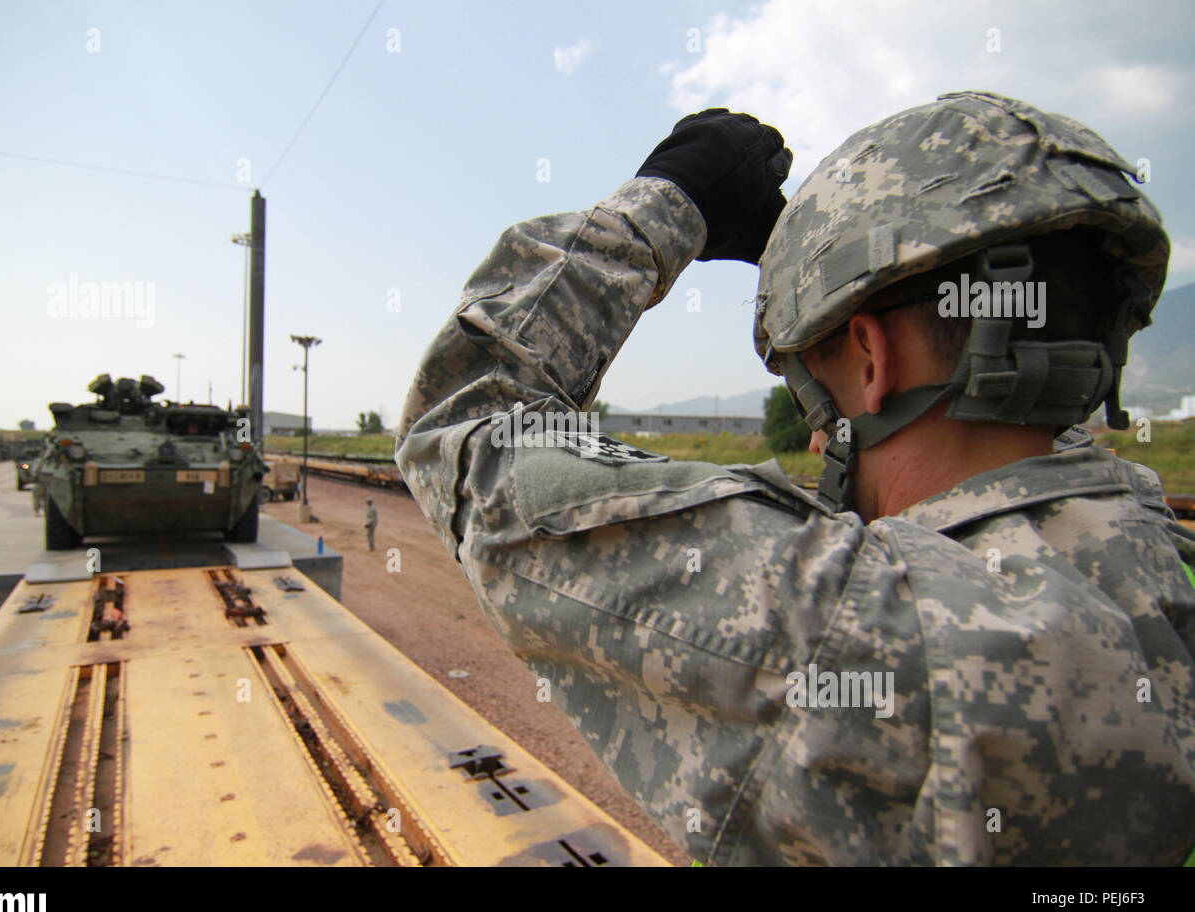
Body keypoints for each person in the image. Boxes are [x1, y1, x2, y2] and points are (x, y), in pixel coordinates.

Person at [396, 92, 1195, 866]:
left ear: (874, 360)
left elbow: (460, 425)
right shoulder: (1166, 571)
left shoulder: (849, 622)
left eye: (817, 385)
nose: (819, 437)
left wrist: (663, 207)